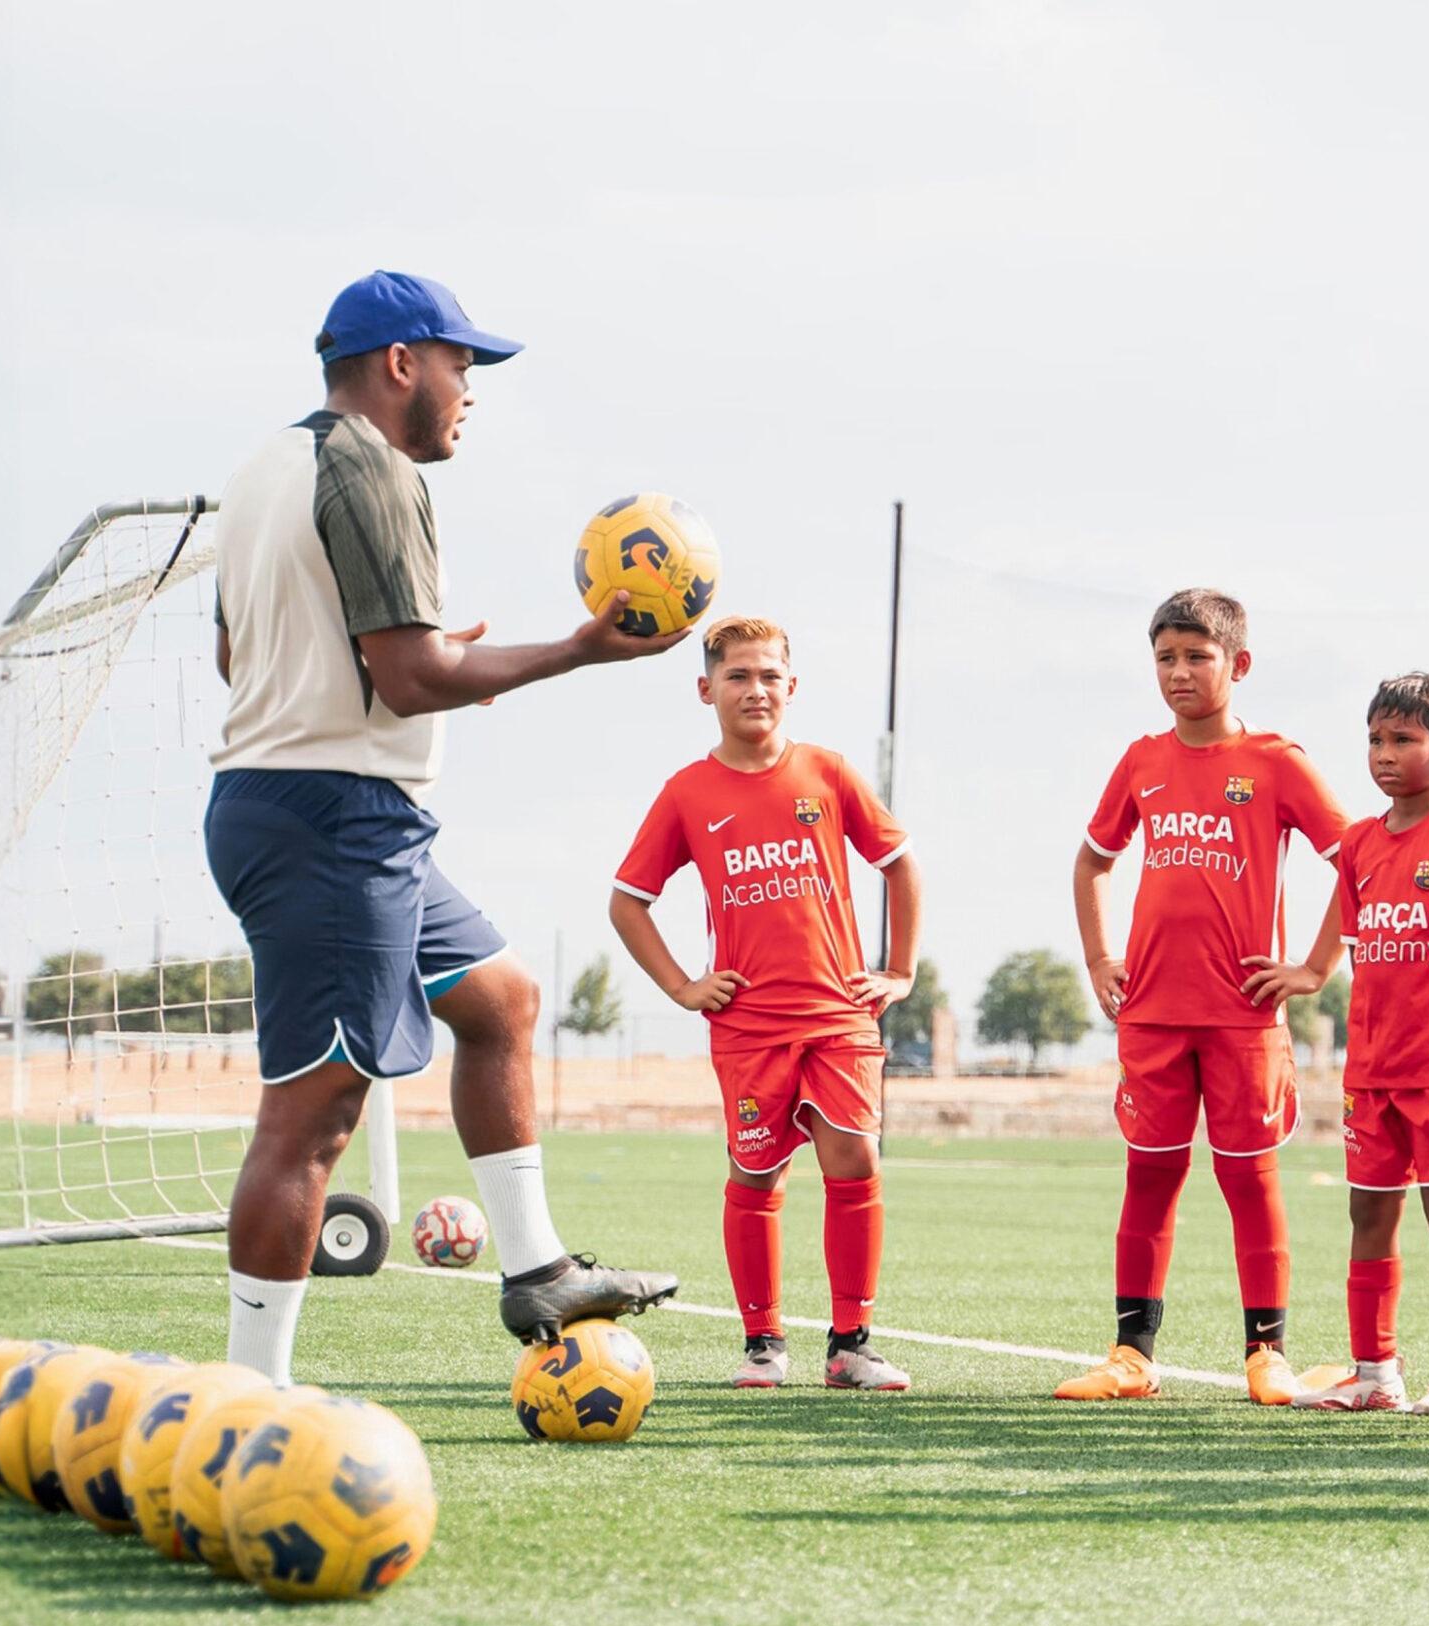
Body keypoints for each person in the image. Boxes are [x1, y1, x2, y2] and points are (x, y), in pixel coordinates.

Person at [206, 269, 680, 1383]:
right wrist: (579, 649)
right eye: (463, 363)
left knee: (500, 1000)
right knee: (317, 1115)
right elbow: (415, 680)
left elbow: (238, 655)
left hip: (320, 810)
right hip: (333, 821)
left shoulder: (263, 465)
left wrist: (408, 652)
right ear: (401, 363)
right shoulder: (371, 468)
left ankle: (537, 1274)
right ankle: (248, 1393)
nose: (471, 388)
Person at [609, 615, 924, 1393]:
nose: (756, 690)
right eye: (739, 676)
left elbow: (901, 865)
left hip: (839, 1015)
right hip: (748, 1025)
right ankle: (763, 1344)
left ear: (792, 687)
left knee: (855, 1160)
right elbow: (627, 902)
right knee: (757, 1177)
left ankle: (851, 1344)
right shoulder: (688, 792)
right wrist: (684, 986)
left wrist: (901, 971)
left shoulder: (828, 772)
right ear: (706, 688)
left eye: (769, 676)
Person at [1054, 589, 1350, 1404]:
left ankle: (1266, 1354)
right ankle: (1131, 1356)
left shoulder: (1277, 763)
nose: (1179, 672)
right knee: (1148, 1179)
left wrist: (1314, 967)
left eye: (1197, 656)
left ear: (1238, 664)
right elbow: (1092, 861)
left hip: (1244, 1017)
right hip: (1150, 1012)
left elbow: (1357, 860)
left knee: (1249, 1181)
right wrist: (1098, 958)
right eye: (1165, 658)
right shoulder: (1142, 760)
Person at [1244, 672, 1429, 1417]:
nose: (1384, 755)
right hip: (1372, 1069)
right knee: (1369, 1215)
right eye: (1376, 740)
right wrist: (1306, 972)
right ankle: (1376, 1372)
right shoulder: (1357, 845)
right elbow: (1338, 945)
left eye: (1404, 740)